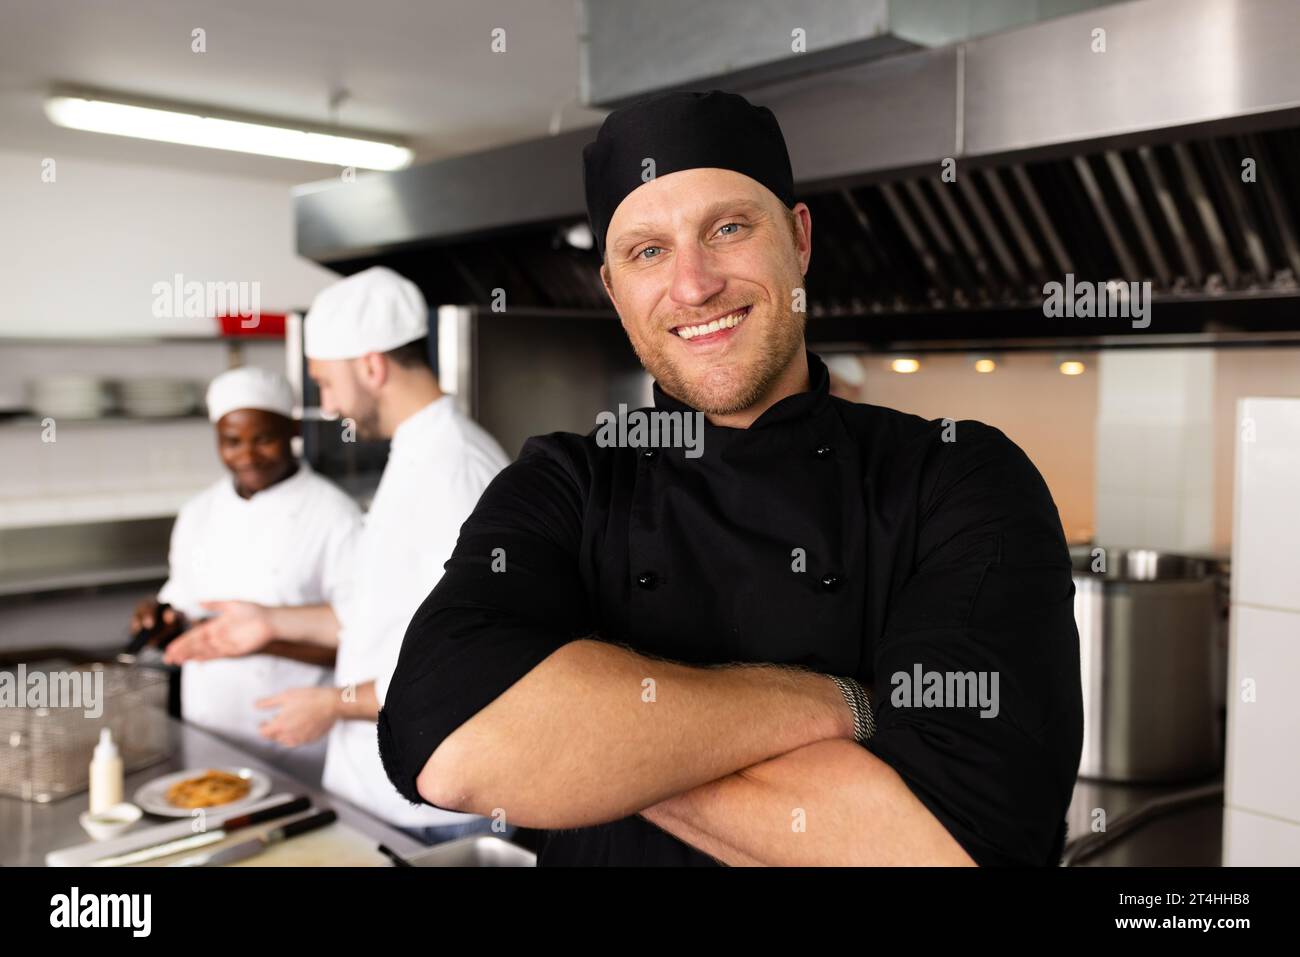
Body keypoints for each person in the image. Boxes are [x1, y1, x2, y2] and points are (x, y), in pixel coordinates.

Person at [378, 91, 1084, 866]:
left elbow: (956, 851)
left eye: (728, 228)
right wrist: (842, 703)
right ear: (614, 290)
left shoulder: (962, 478)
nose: (693, 285)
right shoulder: (565, 484)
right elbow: (446, 741)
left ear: (799, 239)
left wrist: (585, 750)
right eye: (647, 250)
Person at [166, 267, 511, 845]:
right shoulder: (414, 455)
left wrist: (332, 702)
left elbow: (476, 661)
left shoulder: (457, 471)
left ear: (372, 366)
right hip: (381, 789)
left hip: (433, 809)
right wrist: (268, 623)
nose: (325, 407)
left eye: (325, 383)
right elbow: (385, 612)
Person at [134, 366, 360, 783]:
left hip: (293, 735)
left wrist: (257, 643)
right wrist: (160, 619)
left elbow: (359, 640)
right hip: (209, 728)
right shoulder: (199, 512)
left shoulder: (334, 516)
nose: (247, 456)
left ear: (292, 429)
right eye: (232, 441)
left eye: (264, 439)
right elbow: (185, 606)